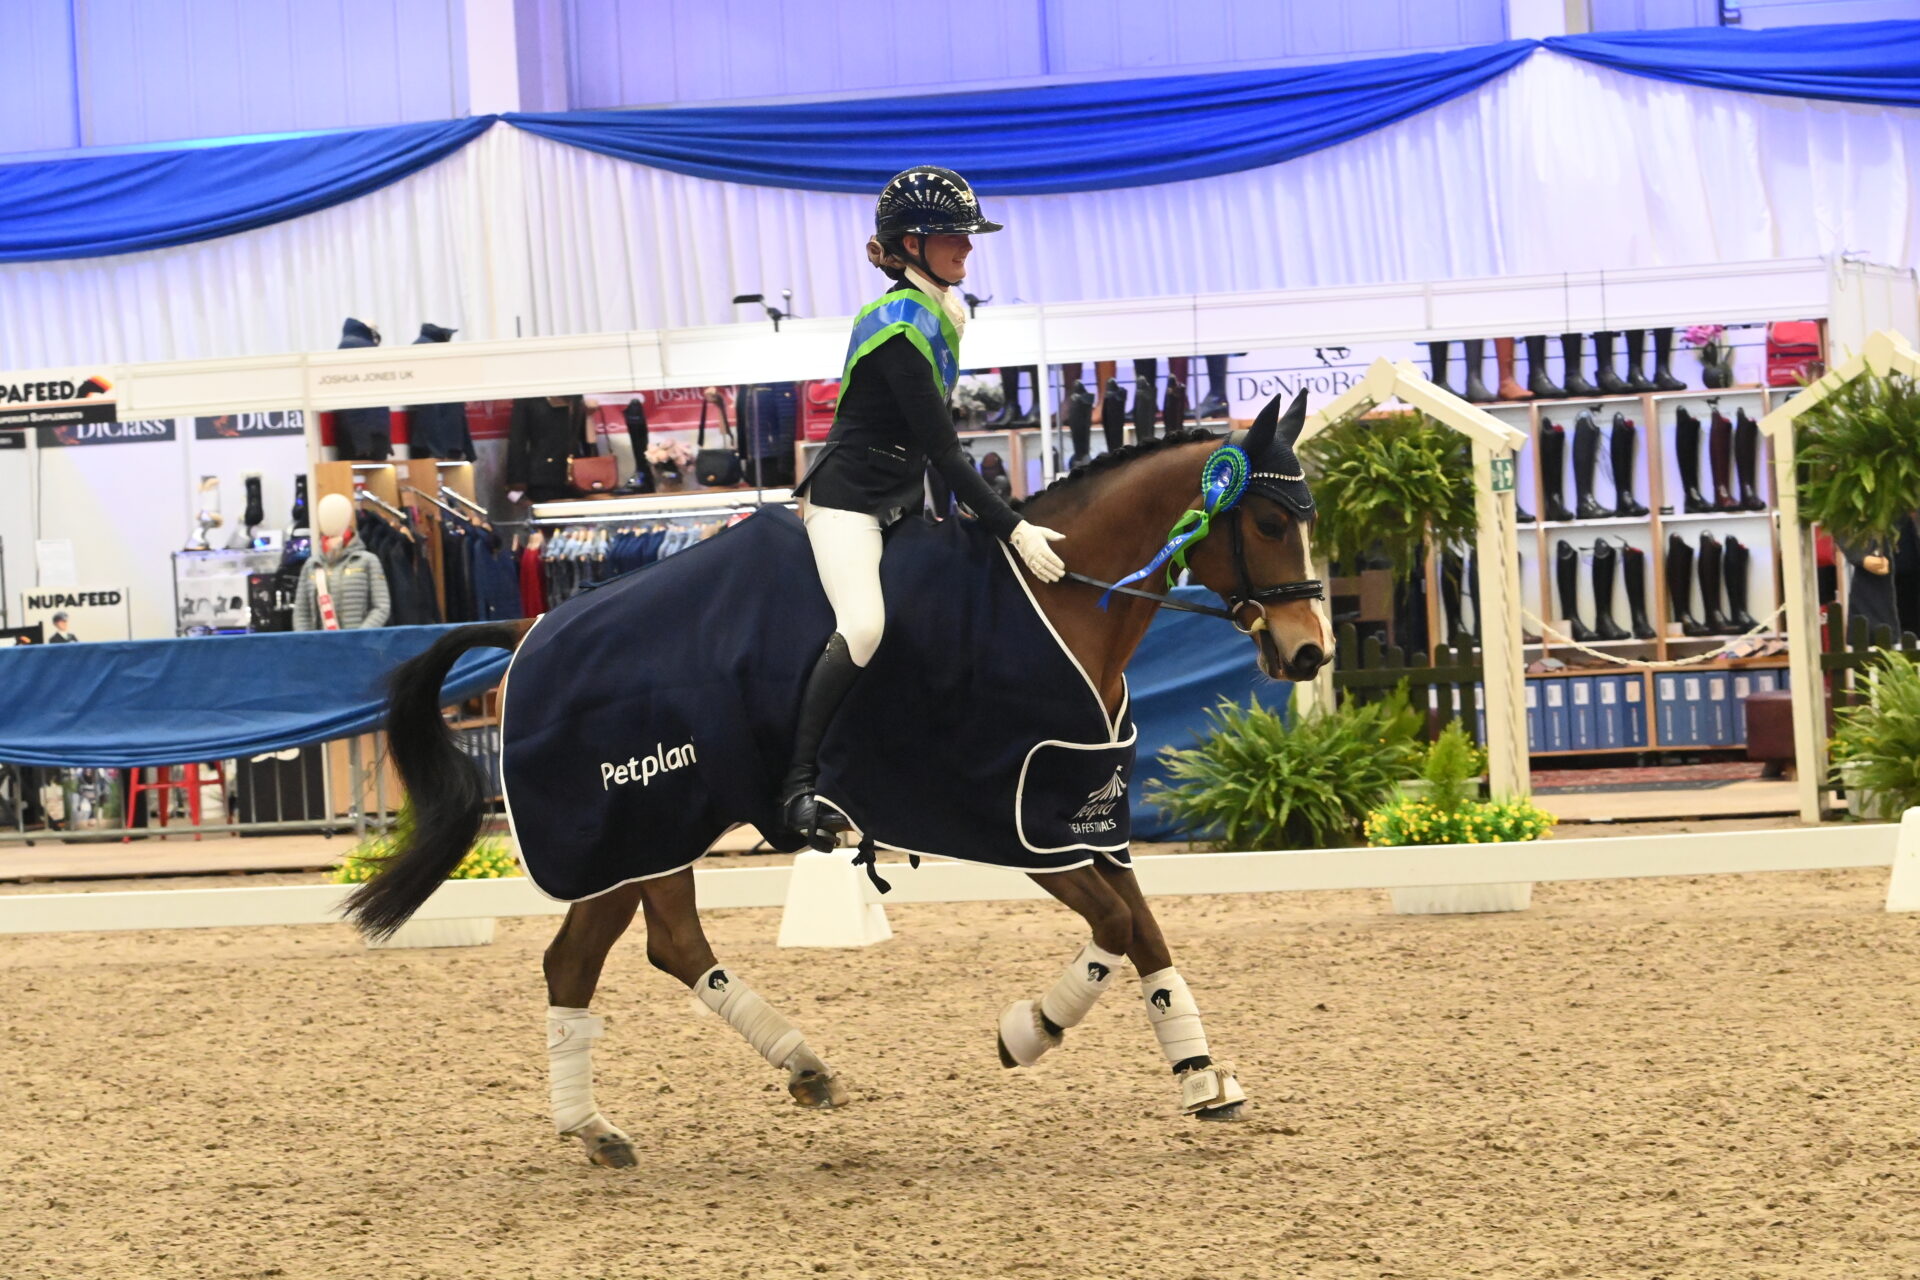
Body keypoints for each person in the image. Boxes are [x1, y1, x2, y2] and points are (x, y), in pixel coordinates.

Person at [779, 165, 1070, 849]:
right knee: (865, 627)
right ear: (911, 245)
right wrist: (1014, 528)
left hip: (901, 499)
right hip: (850, 501)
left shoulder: (937, 310)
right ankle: (797, 786)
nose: (967, 248)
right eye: (954, 237)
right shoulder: (898, 325)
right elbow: (944, 450)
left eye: (968, 237)